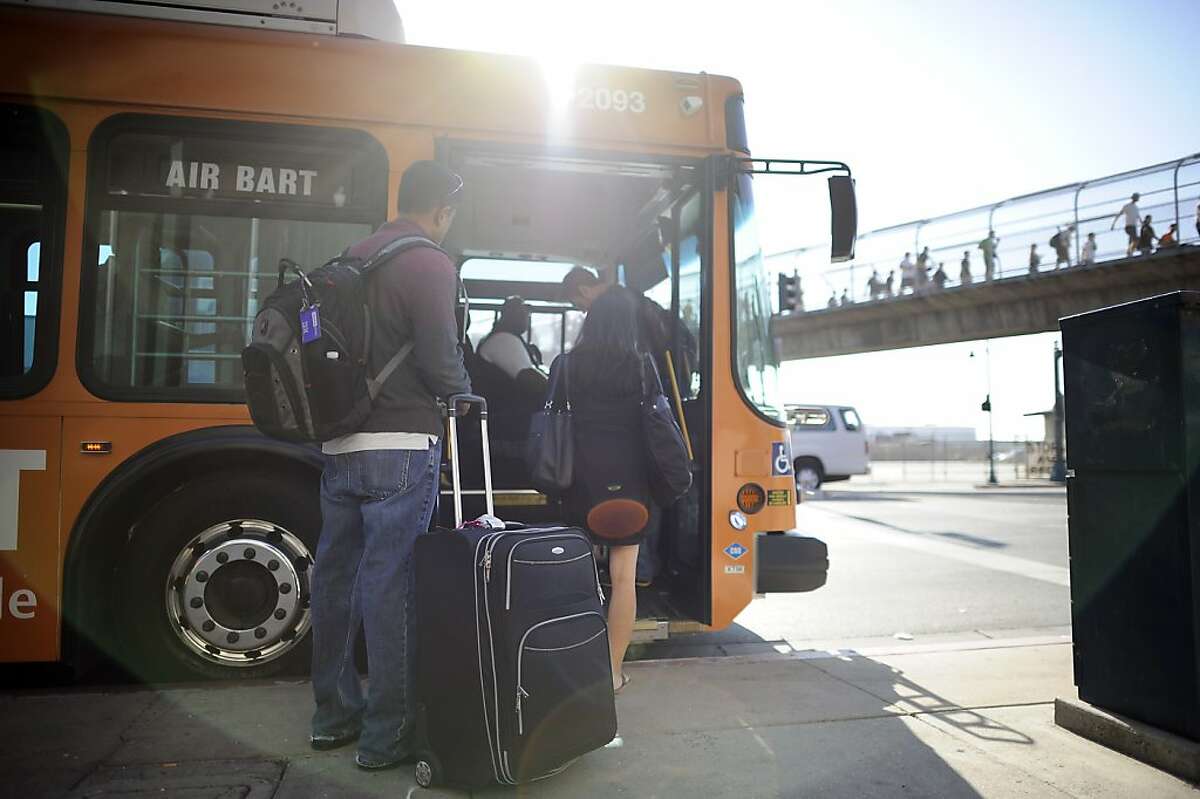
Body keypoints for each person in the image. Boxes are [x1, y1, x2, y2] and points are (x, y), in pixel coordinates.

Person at [309, 161, 471, 770]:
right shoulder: (429, 261)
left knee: (335, 583)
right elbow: (440, 359)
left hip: (338, 444)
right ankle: (385, 736)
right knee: (390, 585)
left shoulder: (349, 258)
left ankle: (332, 716)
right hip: (402, 444)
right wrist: (462, 387)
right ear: (443, 211)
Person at [549, 286, 656, 693]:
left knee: (577, 575)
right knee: (624, 578)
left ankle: (571, 667)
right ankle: (610, 672)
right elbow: (656, 423)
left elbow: (551, 417)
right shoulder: (642, 366)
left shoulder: (567, 365)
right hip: (630, 485)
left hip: (579, 481)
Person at [561, 266, 694, 586]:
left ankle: (622, 571)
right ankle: (640, 568)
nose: (581, 312)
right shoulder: (634, 316)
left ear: (583, 291)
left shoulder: (577, 357)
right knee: (643, 486)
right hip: (641, 428)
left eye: (578, 305)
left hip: (612, 438)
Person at [477, 295, 548, 394]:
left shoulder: (507, 337)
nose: (526, 318)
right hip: (507, 408)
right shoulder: (502, 340)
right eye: (521, 313)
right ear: (509, 316)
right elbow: (530, 378)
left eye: (527, 314)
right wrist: (557, 392)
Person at [1111, 193, 1141, 257]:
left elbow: (1138, 217)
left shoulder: (1136, 207)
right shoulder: (1127, 206)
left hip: (1134, 226)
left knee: (1132, 239)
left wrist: (1142, 223)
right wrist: (1113, 224)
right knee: (1135, 239)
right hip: (1129, 226)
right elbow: (1119, 214)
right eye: (1137, 197)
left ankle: (1130, 253)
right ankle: (1129, 252)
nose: (1138, 199)